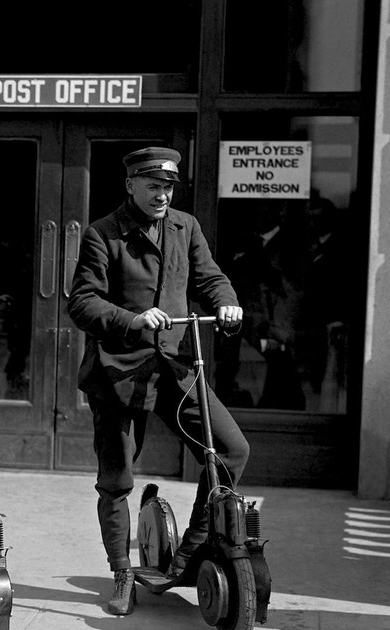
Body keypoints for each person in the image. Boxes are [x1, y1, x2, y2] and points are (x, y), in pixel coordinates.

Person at [67, 147, 250, 616]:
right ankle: (122, 574)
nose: (163, 195)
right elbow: (82, 303)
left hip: (176, 366)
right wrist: (132, 318)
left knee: (229, 450)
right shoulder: (102, 235)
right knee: (117, 480)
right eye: (154, 186)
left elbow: (210, 277)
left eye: (169, 187)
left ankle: (189, 552)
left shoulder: (185, 227)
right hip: (118, 372)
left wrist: (226, 301)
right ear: (131, 185)